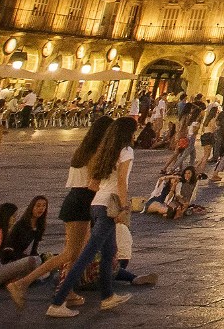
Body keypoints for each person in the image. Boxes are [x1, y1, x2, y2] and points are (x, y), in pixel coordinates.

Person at [47, 115, 138, 317]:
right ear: (128, 133)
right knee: (86, 254)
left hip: (96, 203)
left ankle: (107, 297)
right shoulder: (126, 150)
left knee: (108, 252)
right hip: (109, 206)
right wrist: (123, 207)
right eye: (134, 130)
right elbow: (122, 181)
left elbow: (92, 184)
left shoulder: (105, 151)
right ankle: (57, 302)